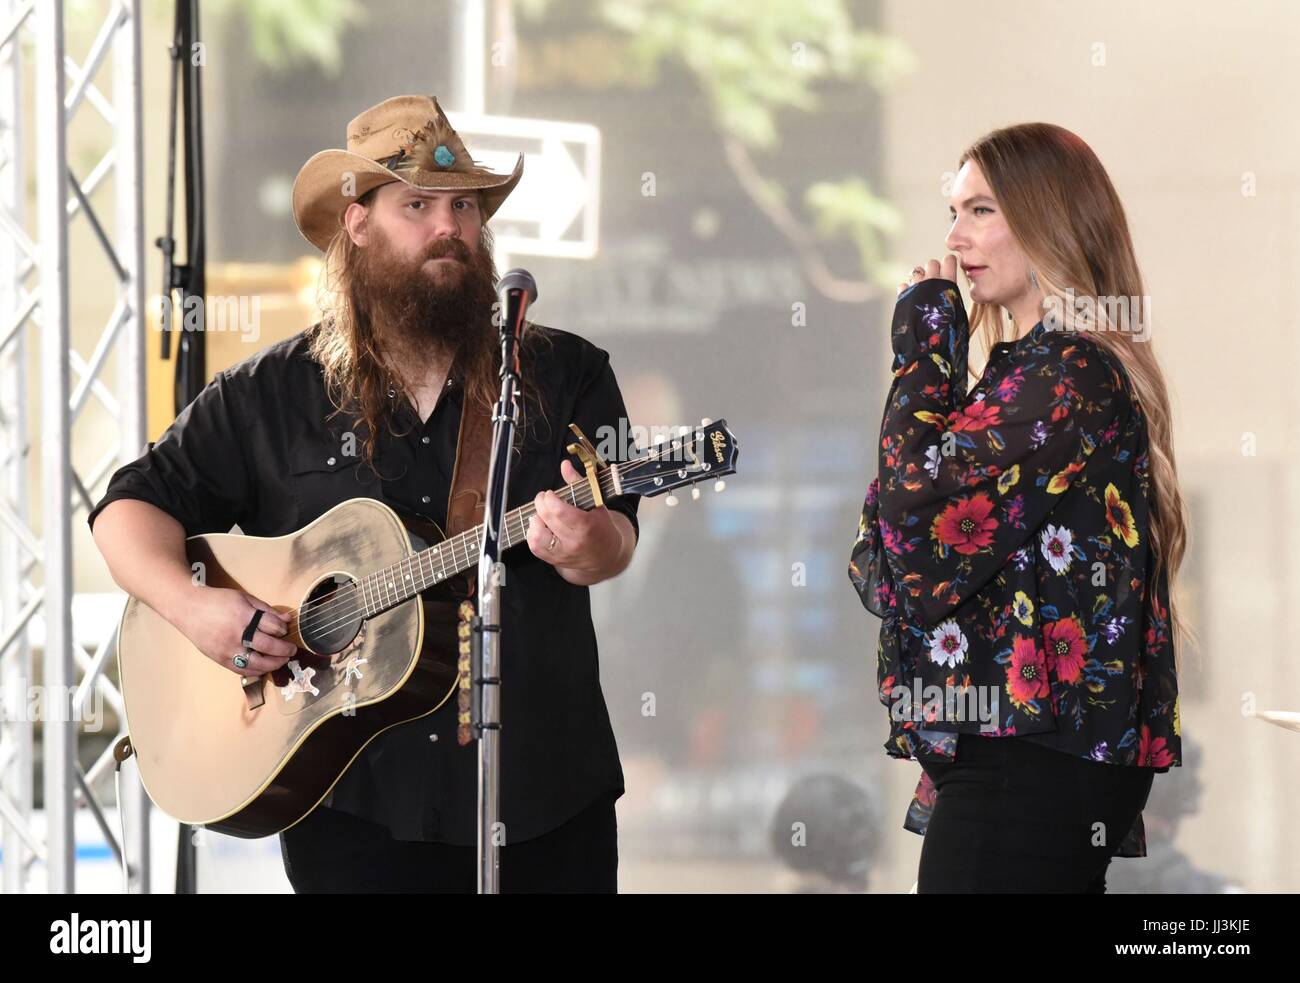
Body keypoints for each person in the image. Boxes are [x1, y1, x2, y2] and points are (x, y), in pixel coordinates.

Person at [89, 94, 640, 893]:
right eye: (417, 206)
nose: (449, 226)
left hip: (543, 796)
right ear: (357, 224)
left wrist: (589, 544)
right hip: (350, 806)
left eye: (464, 207)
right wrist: (197, 607)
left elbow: (614, 540)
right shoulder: (272, 393)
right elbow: (126, 511)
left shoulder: (564, 374)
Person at [848, 122, 1186, 893]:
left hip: (1029, 759)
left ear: (1047, 219)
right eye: (954, 212)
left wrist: (923, 350)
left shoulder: (1068, 373)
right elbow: (894, 537)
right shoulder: (1028, 377)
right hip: (1023, 752)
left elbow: (909, 523)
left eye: (981, 211)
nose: (954, 238)